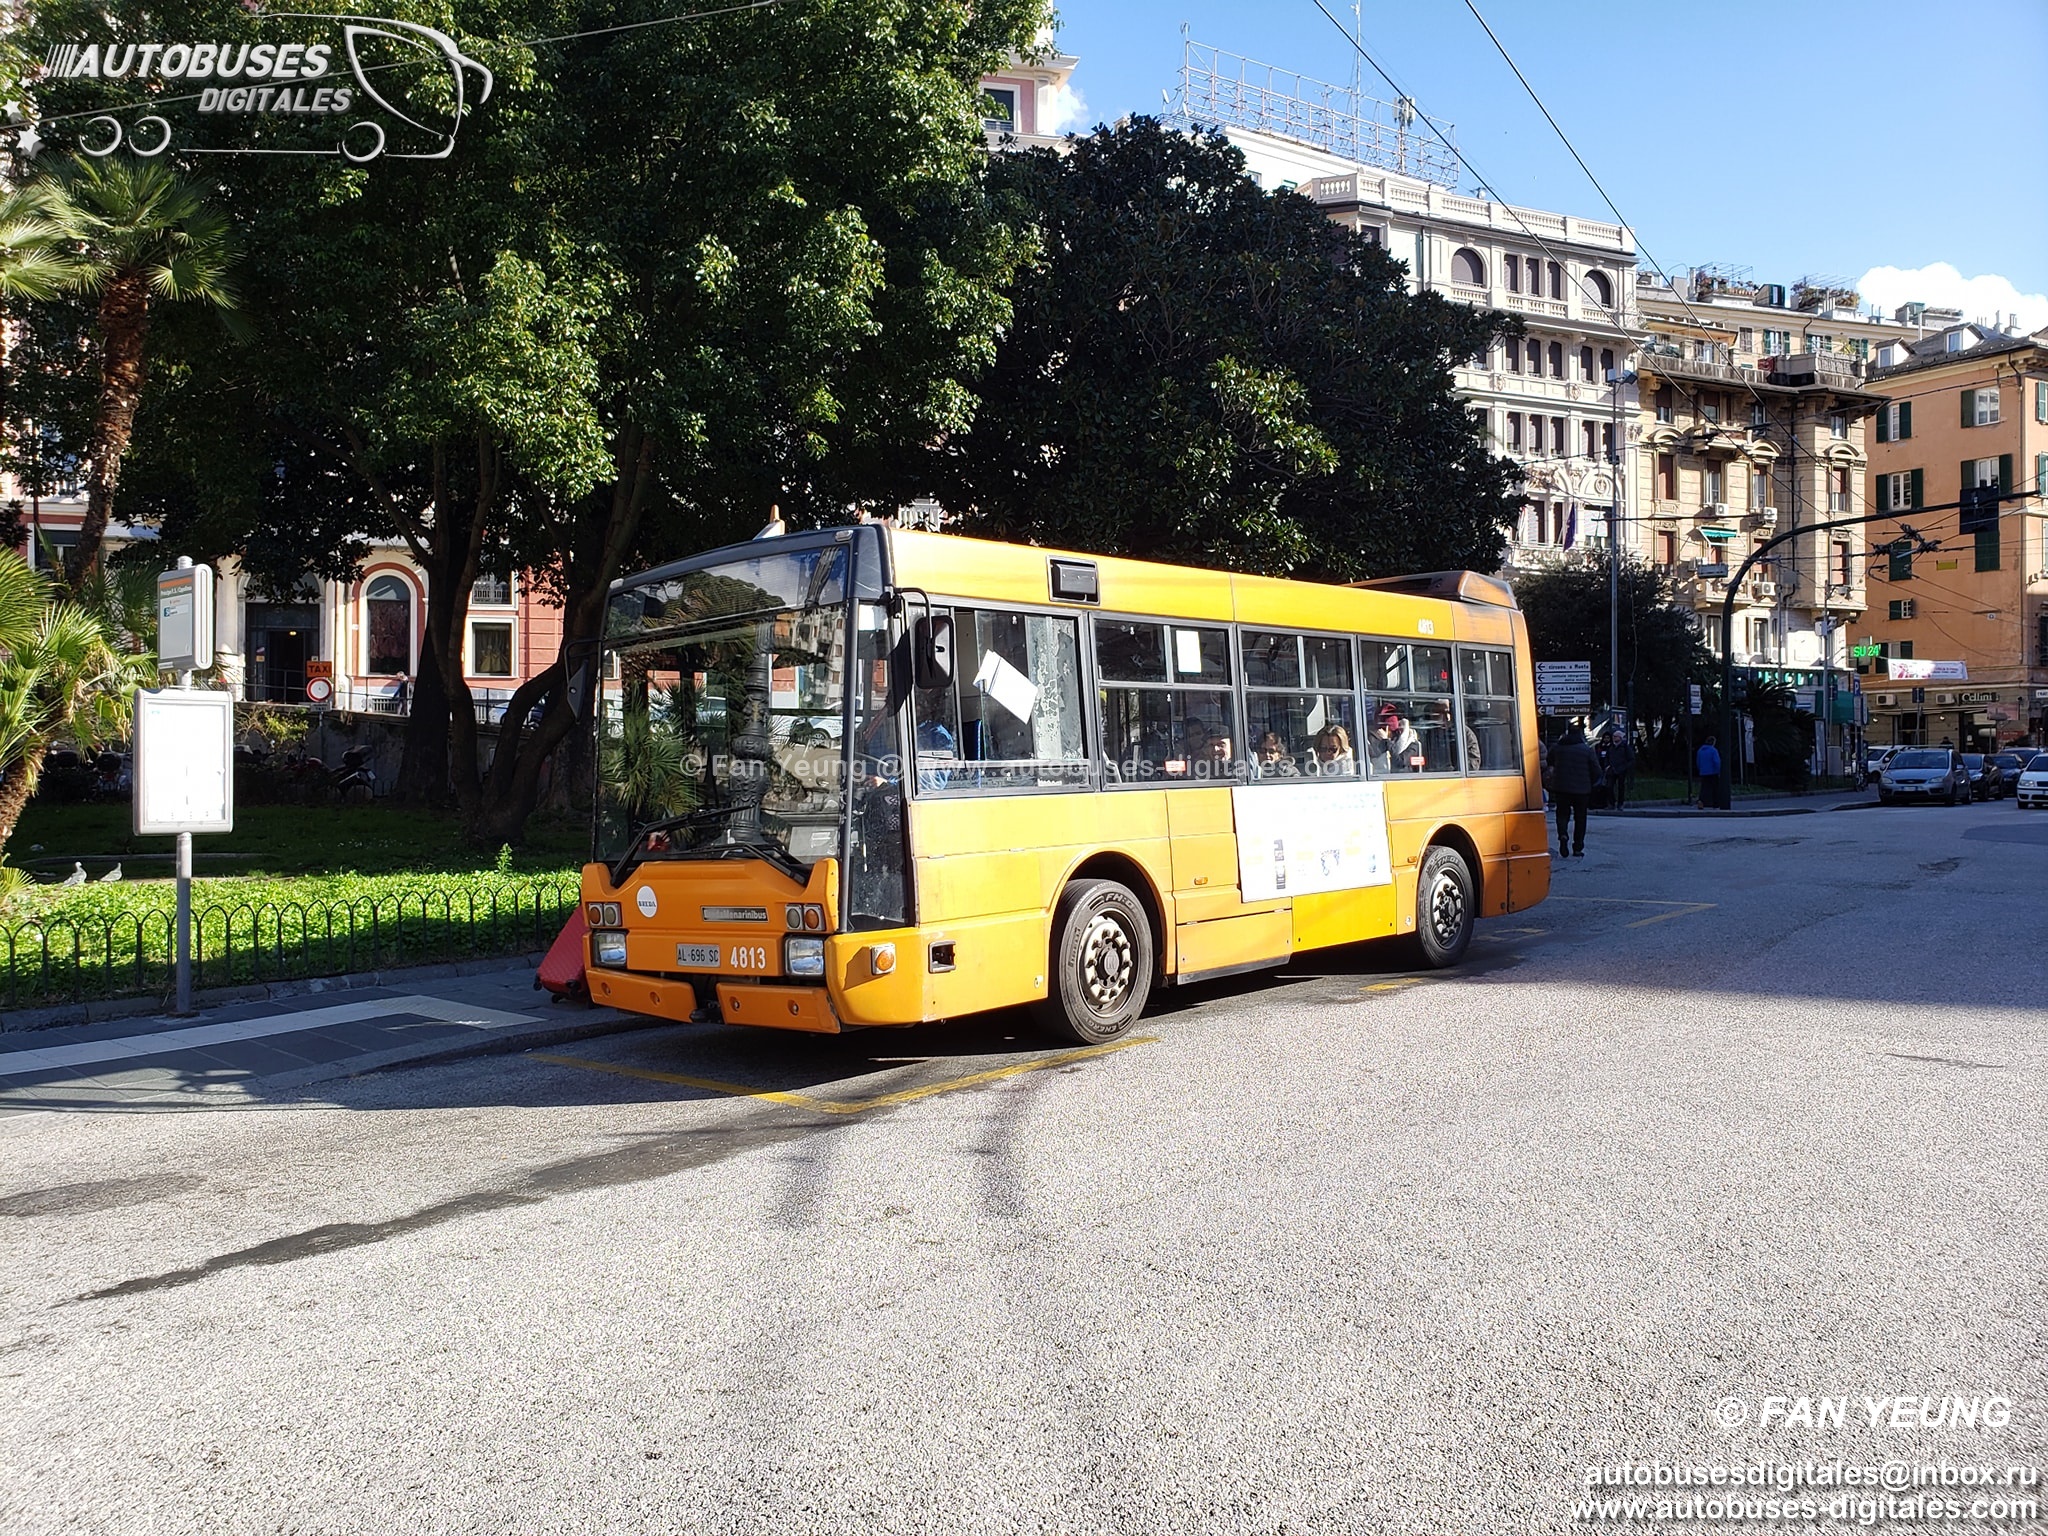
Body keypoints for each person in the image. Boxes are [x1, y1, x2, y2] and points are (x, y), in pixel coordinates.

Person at [1547, 723, 1602, 857]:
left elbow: (1549, 761)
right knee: (1580, 818)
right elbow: (1596, 769)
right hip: (1582, 790)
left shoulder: (1557, 748)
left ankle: (1563, 835)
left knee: (1562, 814)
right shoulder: (1586, 749)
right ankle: (1577, 847)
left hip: (1561, 788)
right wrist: (1591, 783)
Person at [1604, 728, 1636, 809]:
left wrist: (1625, 767)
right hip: (1612, 769)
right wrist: (1607, 765)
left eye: (1616, 736)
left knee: (1621, 787)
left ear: (1620, 738)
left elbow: (1631, 759)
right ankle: (1612, 803)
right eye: (1614, 736)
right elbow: (1607, 757)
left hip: (1621, 769)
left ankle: (1620, 803)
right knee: (1609, 786)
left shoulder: (1625, 747)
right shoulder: (1611, 747)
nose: (1614, 738)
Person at [1696, 734, 1723, 811]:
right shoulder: (1713, 750)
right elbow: (1716, 762)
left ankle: (1701, 801)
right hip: (1713, 772)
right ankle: (1716, 804)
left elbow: (1698, 762)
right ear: (1713, 743)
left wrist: (1700, 769)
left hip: (1703, 772)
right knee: (1715, 788)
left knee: (1704, 788)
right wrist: (1719, 771)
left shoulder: (1700, 750)